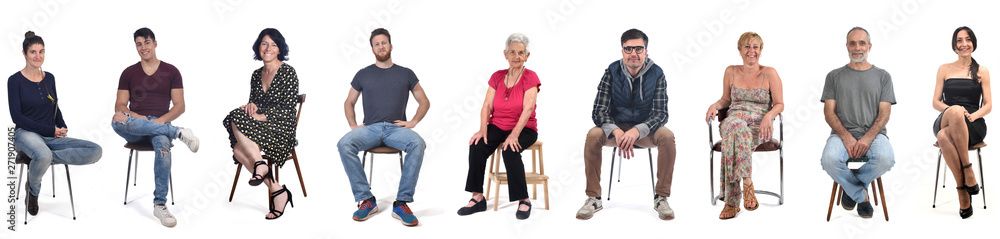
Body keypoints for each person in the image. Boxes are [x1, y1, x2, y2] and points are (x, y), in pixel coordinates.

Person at [578, 28, 676, 220]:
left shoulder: (657, 73)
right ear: (622, 51)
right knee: (592, 135)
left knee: (667, 136)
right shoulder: (612, 72)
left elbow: (661, 114)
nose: (633, 54)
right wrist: (615, 130)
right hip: (616, 131)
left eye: (639, 49)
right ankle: (593, 198)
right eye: (628, 49)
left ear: (646, 51)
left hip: (646, 131)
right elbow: (599, 111)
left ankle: (661, 197)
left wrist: (636, 131)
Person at [339, 28, 430, 227]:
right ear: (372, 49)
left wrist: (413, 122)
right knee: (344, 143)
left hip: (396, 129)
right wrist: (353, 126)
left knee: (418, 143)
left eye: (384, 42)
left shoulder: (406, 73)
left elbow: (424, 100)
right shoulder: (363, 74)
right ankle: (367, 200)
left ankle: (402, 202)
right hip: (369, 129)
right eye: (376, 44)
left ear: (391, 45)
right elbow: (348, 102)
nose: (381, 46)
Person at [111, 27, 200, 227]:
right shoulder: (128, 72)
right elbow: (120, 106)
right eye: (139, 44)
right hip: (135, 127)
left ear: (155, 43)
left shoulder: (171, 71)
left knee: (163, 148)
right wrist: (139, 118)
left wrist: (159, 122)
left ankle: (160, 205)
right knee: (116, 118)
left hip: (160, 124)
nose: (143, 47)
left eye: (147, 42)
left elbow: (180, 106)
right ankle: (177, 132)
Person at [9, 31, 102, 217]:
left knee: (95, 150)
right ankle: (33, 192)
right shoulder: (14, 81)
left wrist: (61, 126)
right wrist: (50, 129)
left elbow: (55, 107)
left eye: (41, 51)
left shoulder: (49, 78)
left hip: (51, 136)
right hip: (25, 134)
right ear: (24, 53)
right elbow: (17, 117)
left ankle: (39, 161)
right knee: (42, 153)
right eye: (33, 52)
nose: (38, 56)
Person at [457, 33, 541, 220]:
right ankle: (477, 198)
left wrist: (513, 135)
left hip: (524, 127)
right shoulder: (496, 76)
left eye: (521, 53)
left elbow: (528, 109)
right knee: (476, 145)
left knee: (510, 150)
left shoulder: (530, 77)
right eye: (512, 52)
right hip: (498, 125)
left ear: (527, 56)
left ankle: (524, 200)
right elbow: (486, 105)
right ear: (505, 54)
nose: (516, 57)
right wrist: (483, 128)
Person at [704, 32, 784, 220]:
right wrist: (714, 106)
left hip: (759, 125)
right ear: (740, 50)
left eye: (755, 47)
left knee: (734, 138)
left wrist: (769, 116)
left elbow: (780, 104)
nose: (751, 51)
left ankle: (732, 202)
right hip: (733, 121)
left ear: (760, 51)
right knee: (736, 127)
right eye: (747, 46)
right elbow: (726, 99)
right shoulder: (730, 71)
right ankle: (747, 182)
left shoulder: (770, 73)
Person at [820, 27, 896, 219]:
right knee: (829, 159)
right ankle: (861, 196)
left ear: (869, 46)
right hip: (841, 134)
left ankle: (850, 190)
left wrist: (868, 138)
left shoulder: (883, 76)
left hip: (875, 134)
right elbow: (829, 113)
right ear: (846, 46)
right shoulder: (833, 76)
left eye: (862, 43)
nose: (857, 47)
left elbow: (885, 113)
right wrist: (846, 137)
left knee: (886, 159)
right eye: (852, 43)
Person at [223, 28, 298, 220]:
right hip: (261, 127)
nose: (268, 48)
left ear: (279, 49)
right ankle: (277, 190)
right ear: (259, 47)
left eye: (273, 45)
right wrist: (250, 107)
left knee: (237, 130)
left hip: (281, 128)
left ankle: (259, 165)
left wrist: (261, 117)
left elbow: (288, 110)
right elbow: (254, 103)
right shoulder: (256, 75)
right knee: (238, 149)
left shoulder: (288, 72)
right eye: (264, 43)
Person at [932, 26, 991, 219]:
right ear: (954, 45)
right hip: (947, 118)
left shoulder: (982, 71)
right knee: (955, 110)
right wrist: (952, 110)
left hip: (972, 124)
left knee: (942, 136)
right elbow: (935, 102)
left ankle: (962, 192)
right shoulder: (944, 68)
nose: (963, 44)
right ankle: (968, 170)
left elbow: (988, 105)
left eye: (967, 40)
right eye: (959, 40)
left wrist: (973, 116)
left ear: (973, 43)